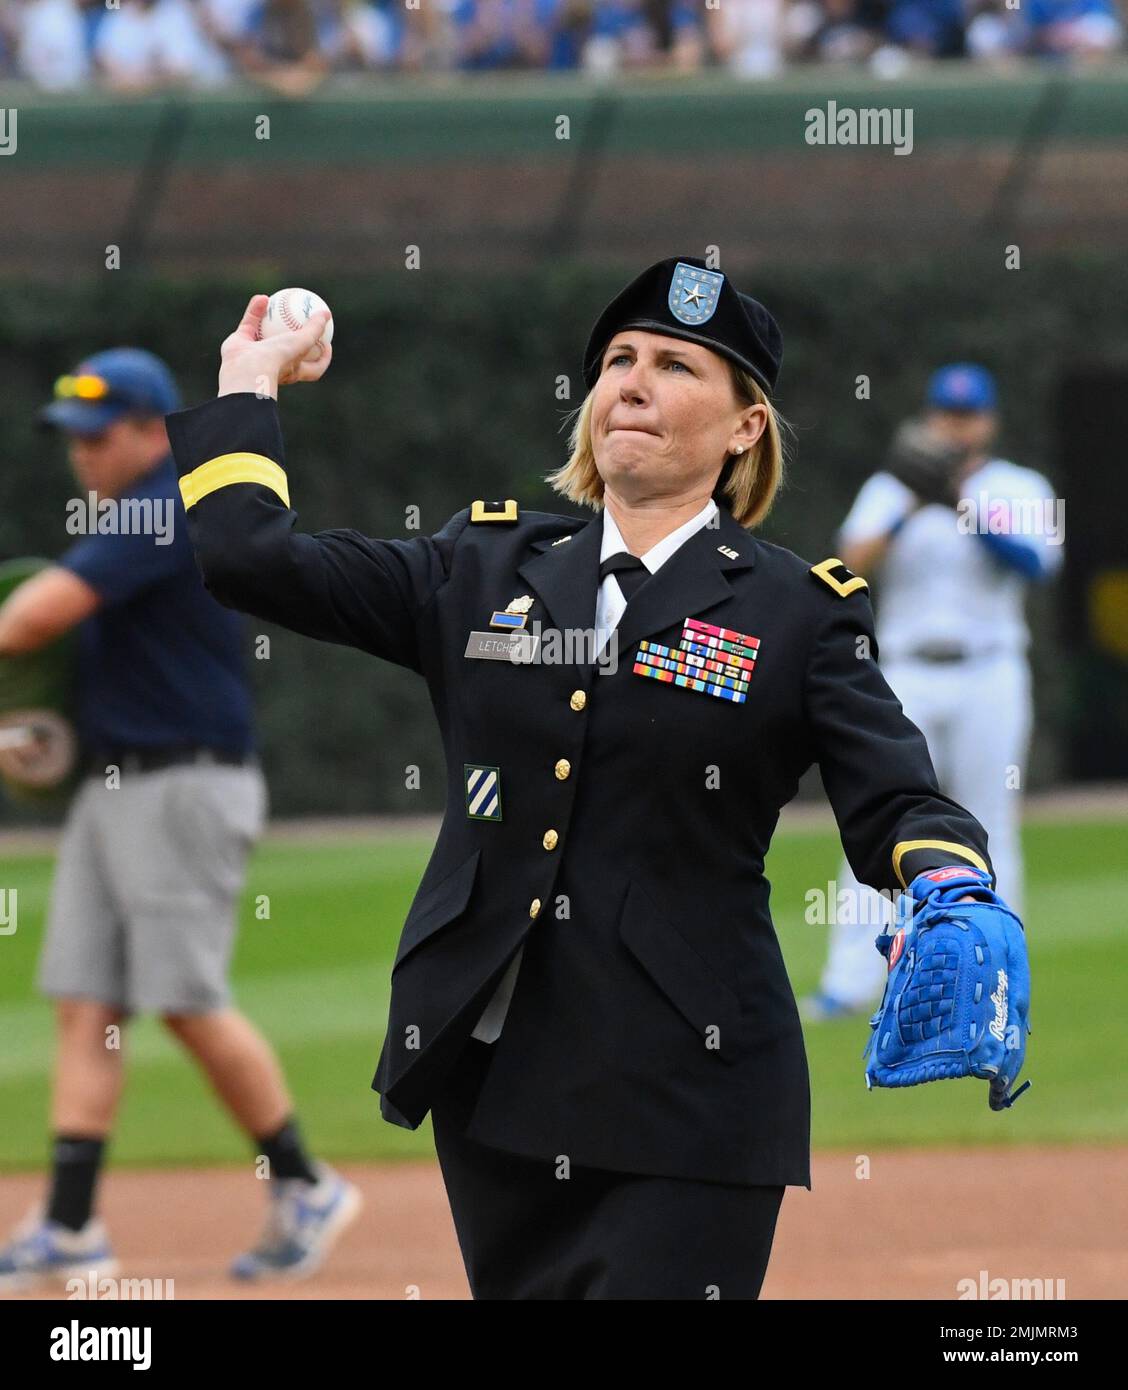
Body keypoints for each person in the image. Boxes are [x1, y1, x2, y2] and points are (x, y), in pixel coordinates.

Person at [164, 257, 1024, 1300]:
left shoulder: (799, 610)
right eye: (619, 359)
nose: (632, 380)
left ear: (747, 425)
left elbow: (893, 792)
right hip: (494, 1083)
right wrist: (246, 383)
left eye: (674, 365)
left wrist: (948, 876)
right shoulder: (475, 569)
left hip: (692, 1090)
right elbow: (250, 558)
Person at [0, 349, 359, 1291]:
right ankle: (71, 1227)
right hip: (117, 788)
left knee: (185, 1000)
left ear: (150, 431)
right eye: (71, 437)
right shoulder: (127, 517)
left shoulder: (165, 504)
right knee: (89, 1002)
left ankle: (305, 1182)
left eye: (97, 433)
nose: (81, 454)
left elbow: (32, 615)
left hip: (185, 787)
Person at [803, 364, 1062, 1021]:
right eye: (946, 414)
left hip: (990, 670)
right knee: (876, 824)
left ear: (990, 421)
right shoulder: (891, 488)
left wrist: (960, 502)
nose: (957, 424)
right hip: (907, 674)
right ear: (929, 418)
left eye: (968, 414)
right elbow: (845, 564)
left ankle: (998, 977)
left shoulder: (1015, 486)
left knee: (990, 823)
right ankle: (848, 983)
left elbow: (1037, 563)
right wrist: (913, 506)